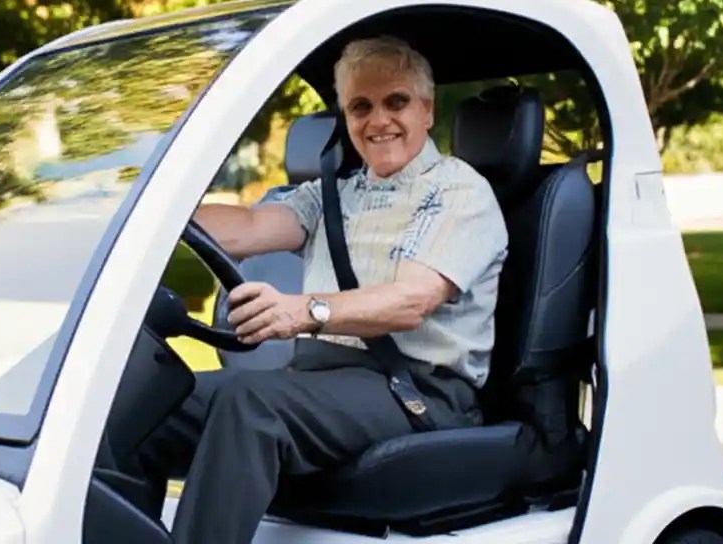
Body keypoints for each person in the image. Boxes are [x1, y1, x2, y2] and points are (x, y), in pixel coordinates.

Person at [131, 36, 509, 543]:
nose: (378, 121)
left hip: (420, 391)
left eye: (395, 102)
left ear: (426, 108)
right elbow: (243, 227)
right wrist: (141, 211)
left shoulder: (457, 191)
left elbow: (411, 301)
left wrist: (302, 311)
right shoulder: (336, 193)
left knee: (252, 402)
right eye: (361, 107)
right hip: (327, 380)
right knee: (146, 400)